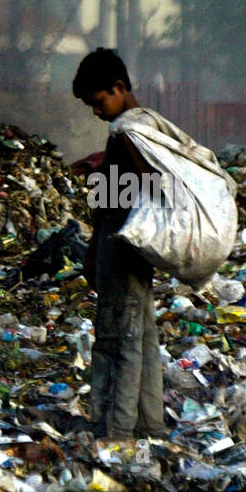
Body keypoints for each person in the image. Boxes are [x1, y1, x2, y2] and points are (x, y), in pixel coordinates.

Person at [72, 48, 166, 442]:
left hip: (122, 247)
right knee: (142, 339)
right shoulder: (153, 125)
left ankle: (117, 435)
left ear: (119, 87)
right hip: (138, 250)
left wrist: (95, 251)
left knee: (117, 343)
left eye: (98, 102)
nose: (97, 112)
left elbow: (137, 191)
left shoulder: (127, 134)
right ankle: (150, 428)